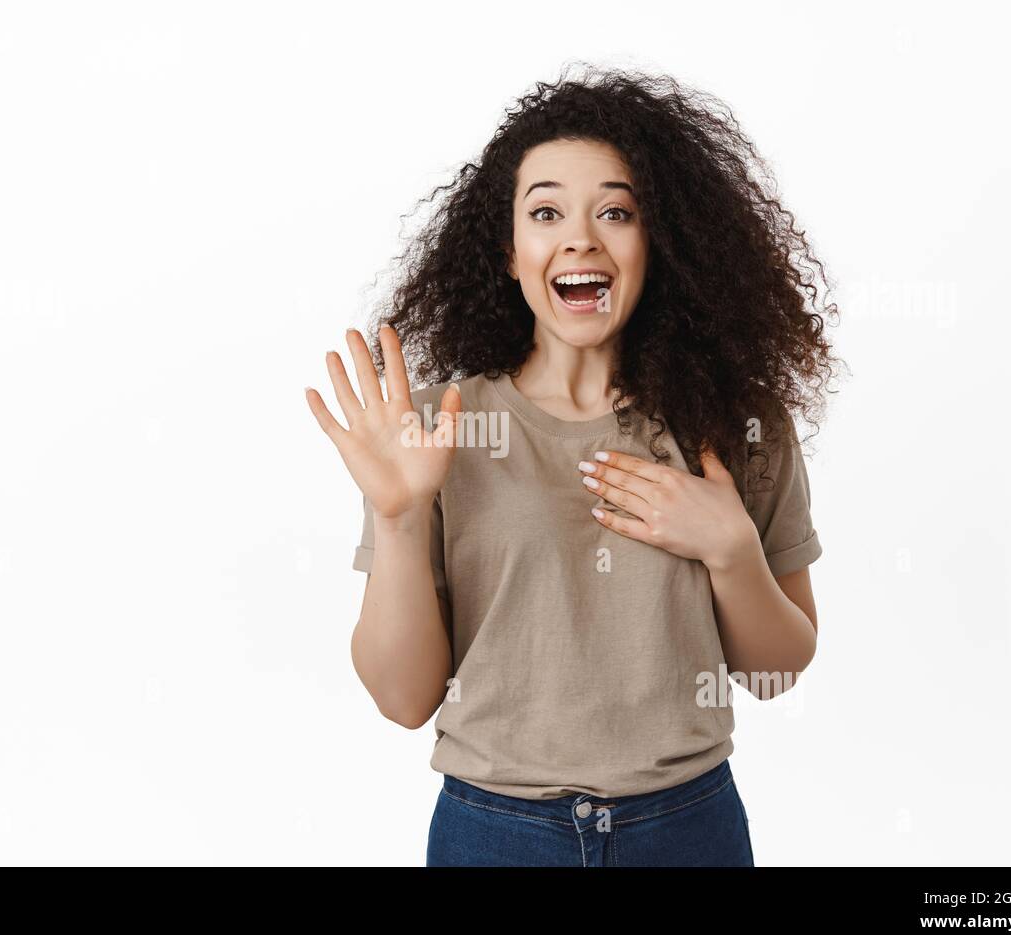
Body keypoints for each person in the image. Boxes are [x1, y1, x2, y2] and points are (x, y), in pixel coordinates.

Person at [304, 64, 842, 866]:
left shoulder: (737, 423)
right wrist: (399, 517)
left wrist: (730, 550)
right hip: (494, 833)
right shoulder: (432, 429)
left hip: (686, 827)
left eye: (616, 212)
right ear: (510, 250)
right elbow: (403, 698)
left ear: (659, 242)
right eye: (546, 210)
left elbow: (774, 675)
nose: (580, 238)